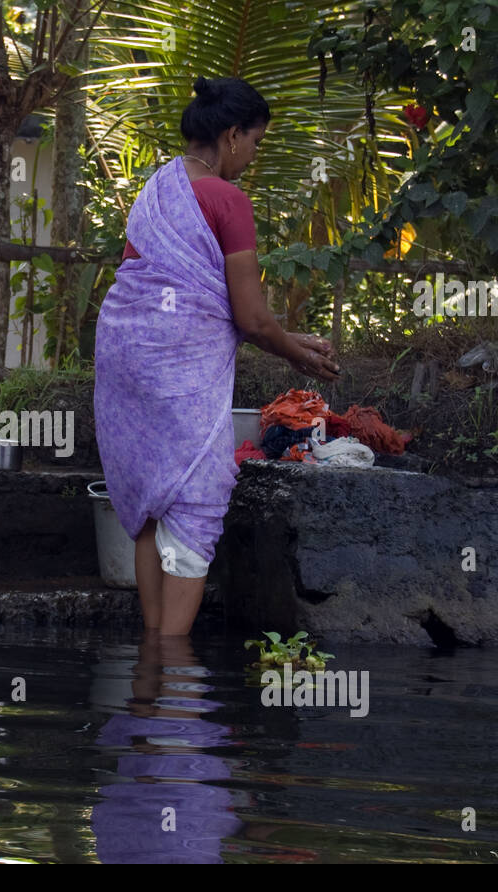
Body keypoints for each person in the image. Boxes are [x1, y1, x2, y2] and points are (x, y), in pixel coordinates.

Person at [94, 77, 340, 638]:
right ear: (231, 136)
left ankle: (150, 670)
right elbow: (249, 319)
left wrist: (290, 339)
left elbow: (169, 287)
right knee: (196, 502)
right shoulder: (228, 199)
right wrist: (299, 356)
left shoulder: (155, 188)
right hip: (179, 369)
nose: (252, 158)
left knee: (151, 508)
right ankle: (173, 673)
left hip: (125, 355)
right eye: (254, 143)